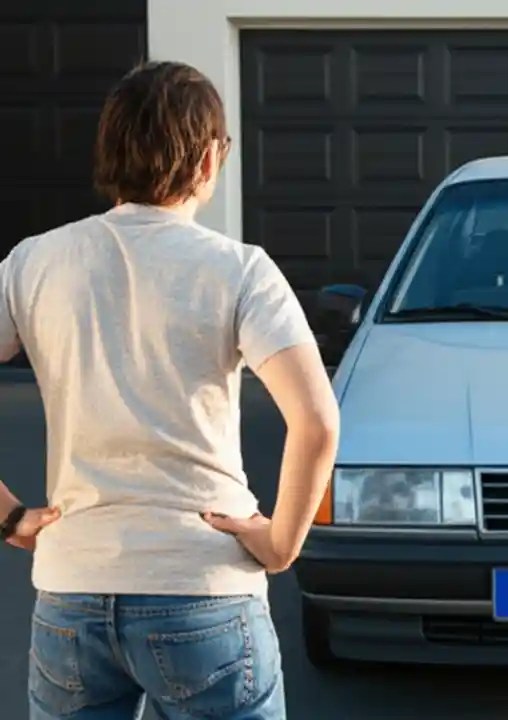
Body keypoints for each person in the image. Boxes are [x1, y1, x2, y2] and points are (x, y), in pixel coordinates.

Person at [0, 61, 340, 719]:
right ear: (210, 158)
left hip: (73, 588)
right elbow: (318, 421)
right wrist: (279, 545)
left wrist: (8, 514)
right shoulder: (241, 270)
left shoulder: (34, 263)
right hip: (203, 589)